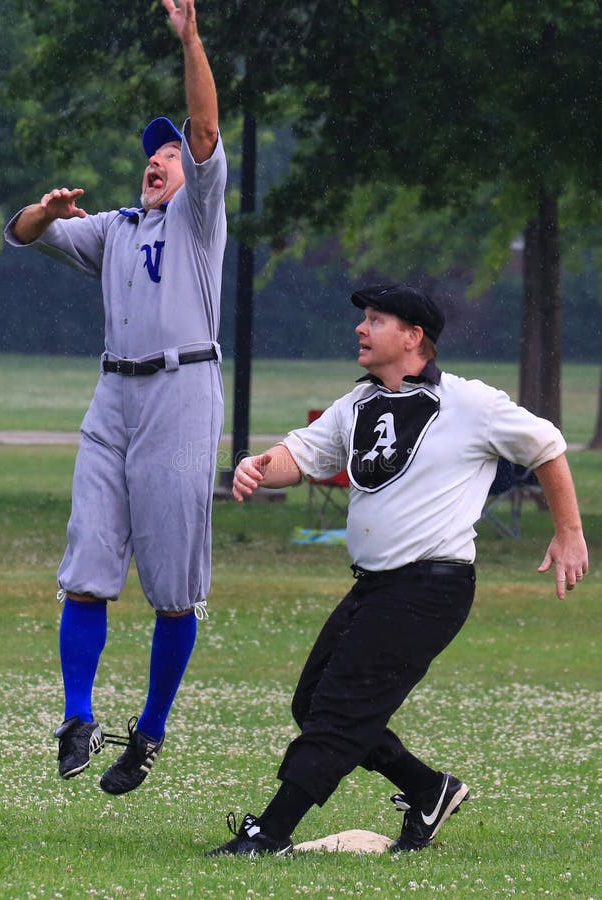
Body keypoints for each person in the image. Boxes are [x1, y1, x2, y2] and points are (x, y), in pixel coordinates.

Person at [208, 282, 588, 855]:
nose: (361, 328)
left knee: (337, 710)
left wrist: (570, 532)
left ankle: (269, 832)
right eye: (363, 318)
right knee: (311, 703)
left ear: (414, 338)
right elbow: (303, 455)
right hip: (376, 586)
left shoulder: (471, 403)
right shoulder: (356, 404)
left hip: (431, 587)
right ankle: (428, 789)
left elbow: (547, 445)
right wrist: (258, 466)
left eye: (376, 319)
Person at [4, 0, 227, 795]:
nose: (159, 160)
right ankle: (76, 717)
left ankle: (151, 732)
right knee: (87, 566)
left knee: (172, 589)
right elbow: (25, 234)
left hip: (180, 392)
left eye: (167, 153)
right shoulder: (116, 227)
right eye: (151, 154)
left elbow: (204, 133)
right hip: (113, 401)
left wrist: (192, 40)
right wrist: (46, 210)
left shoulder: (200, 219)